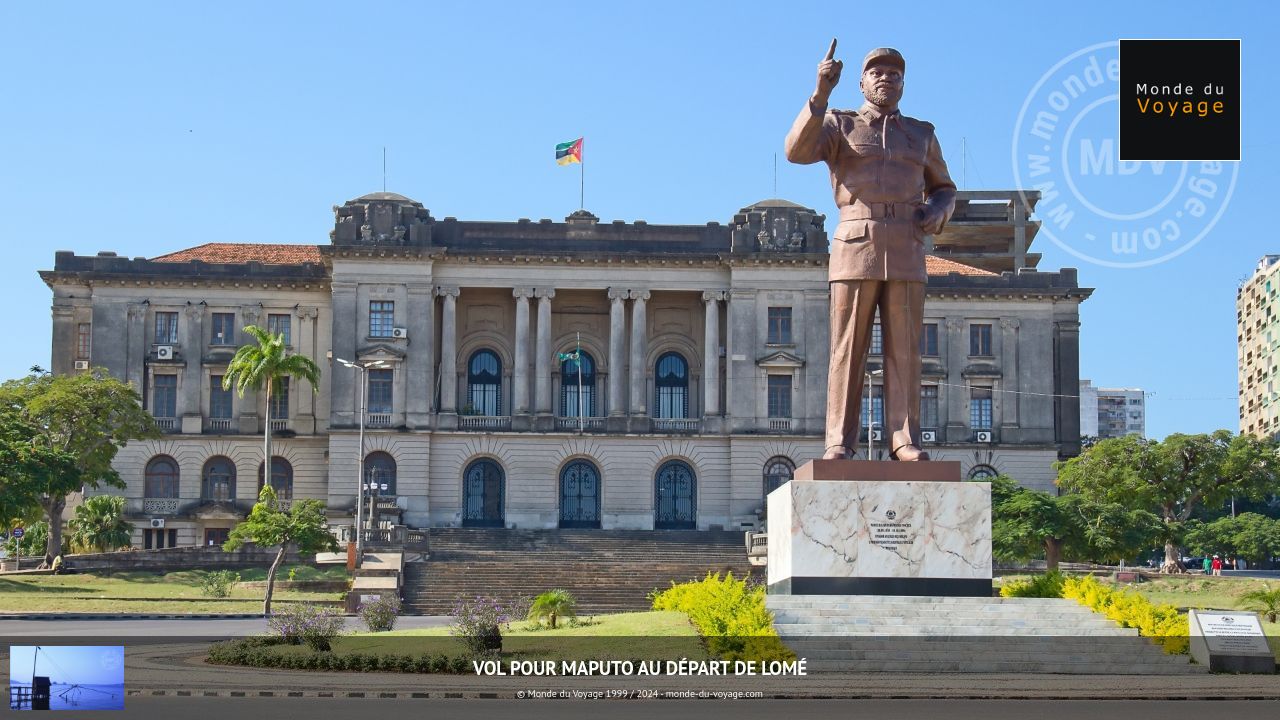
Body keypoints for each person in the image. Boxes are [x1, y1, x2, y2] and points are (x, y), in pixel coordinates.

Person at [785, 41, 956, 461]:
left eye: (894, 73)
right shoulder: (839, 124)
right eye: (877, 72)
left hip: (906, 244)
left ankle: (904, 439)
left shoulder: (921, 134)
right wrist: (820, 94)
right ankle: (839, 441)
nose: (886, 78)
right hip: (855, 242)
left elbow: (944, 186)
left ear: (903, 84)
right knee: (848, 348)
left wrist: (938, 208)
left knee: (905, 351)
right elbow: (796, 151)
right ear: (861, 82)